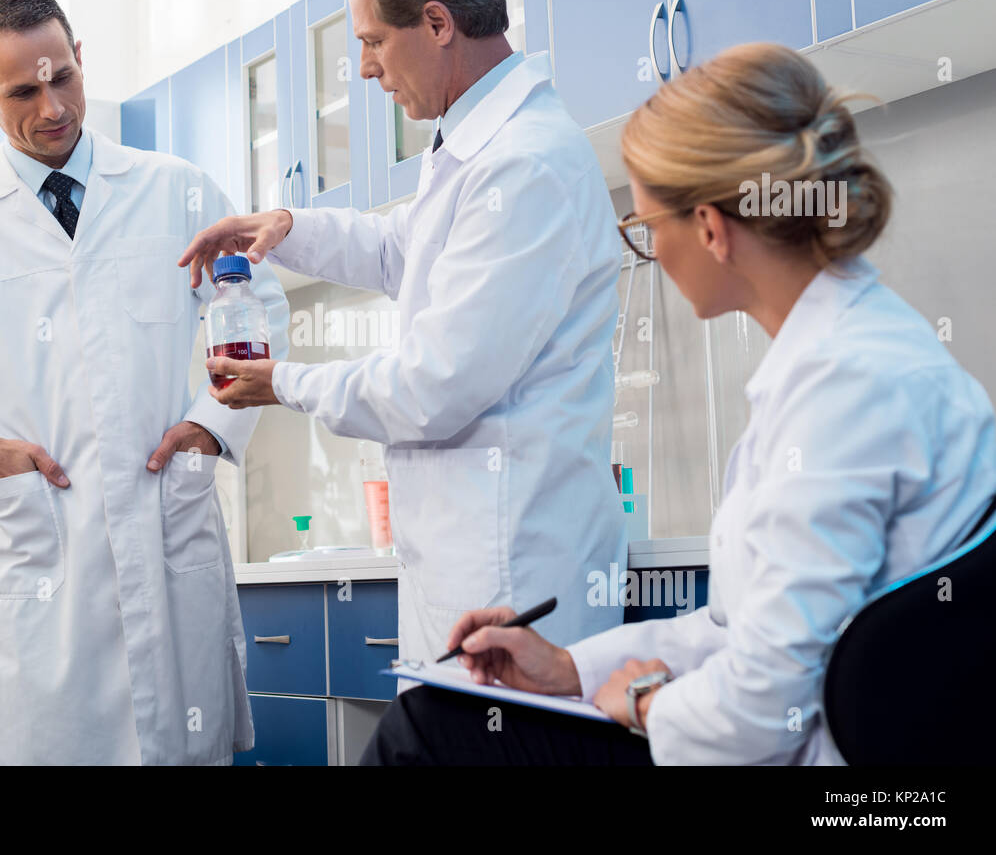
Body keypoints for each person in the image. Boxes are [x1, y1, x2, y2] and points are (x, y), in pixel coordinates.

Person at [360, 42, 996, 765]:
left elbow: (766, 706)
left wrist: (643, 702)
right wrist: (570, 669)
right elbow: (740, 633)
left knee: (425, 730)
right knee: (439, 717)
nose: (652, 251)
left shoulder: (845, 388)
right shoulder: (845, 353)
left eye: (647, 226)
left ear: (712, 229)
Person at [0, 0, 290, 764]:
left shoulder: (176, 190)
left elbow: (261, 309)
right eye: (23, 91)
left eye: (64, 77)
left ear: (79, 57)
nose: (53, 107)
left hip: (167, 527)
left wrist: (209, 426)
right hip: (43, 557)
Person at [178, 0, 626, 667]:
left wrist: (282, 381)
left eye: (373, 41)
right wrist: (286, 225)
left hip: (514, 568)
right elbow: (399, 248)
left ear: (437, 23)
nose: (364, 67)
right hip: (463, 562)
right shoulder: (470, 145)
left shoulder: (522, 165)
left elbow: (432, 385)